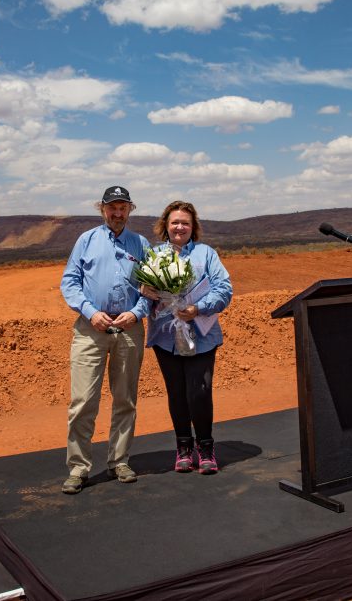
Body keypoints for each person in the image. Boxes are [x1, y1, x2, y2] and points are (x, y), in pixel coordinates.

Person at [59, 185, 151, 495]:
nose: (117, 212)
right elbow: (70, 282)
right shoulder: (86, 241)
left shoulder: (141, 245)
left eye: (123, 206)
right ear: (102, 209)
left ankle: (119, 461)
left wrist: (136, 313)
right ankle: (78, 467)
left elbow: (152, 290)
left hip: (129, 329)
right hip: (90, 329)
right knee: (83, 401)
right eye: (112, 207)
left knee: (125, 398)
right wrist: (89, 311)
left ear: (130, 209)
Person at [143, 201, 232, 475]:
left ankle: (206, 448)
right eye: (174, 222)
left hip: (201, 334)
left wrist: (198, 308)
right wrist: (148, 292)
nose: (179, 227)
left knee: (200, 392)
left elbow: (224, 288)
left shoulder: (206, 254)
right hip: (165, 336)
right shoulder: (155, 255)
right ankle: (183, 448)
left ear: (193, 228)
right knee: (177, 393)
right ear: (165, 226)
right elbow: (142, 293)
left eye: (185, 223)